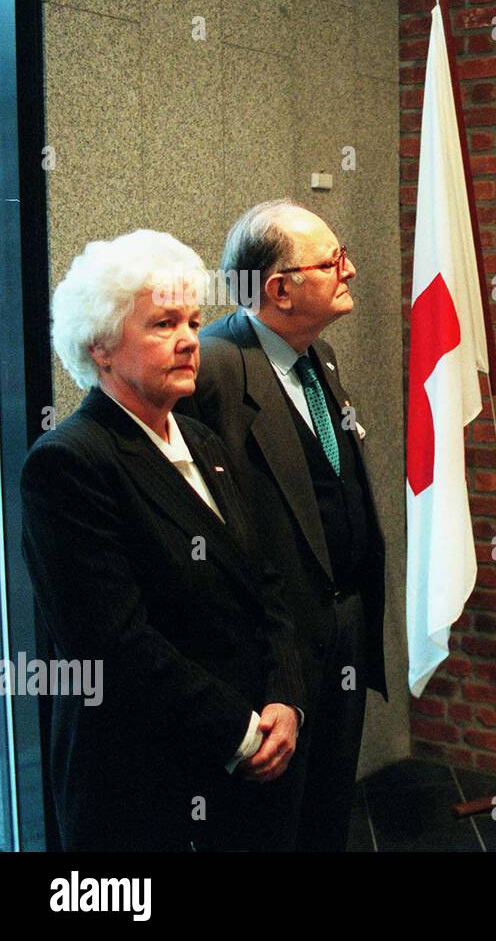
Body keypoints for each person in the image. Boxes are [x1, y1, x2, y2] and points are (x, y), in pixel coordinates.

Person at [21, 230, 306, 851]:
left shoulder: (203, 441)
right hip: (144, 787)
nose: (188, 340)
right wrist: (243, 732)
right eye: (162, 323)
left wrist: (286, 700)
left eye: (195, 320)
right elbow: (114, 644)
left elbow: (266, 585)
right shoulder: (69, 463)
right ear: (100, 347)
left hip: (249, 765)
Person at [179, 199, 388, 852]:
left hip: (342, 632)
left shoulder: (317, 354)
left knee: (327, 813)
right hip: (273, 655)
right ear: (279, 289)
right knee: (269, 827)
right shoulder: (210, 369)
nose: (348, 270)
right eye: (332, 261)